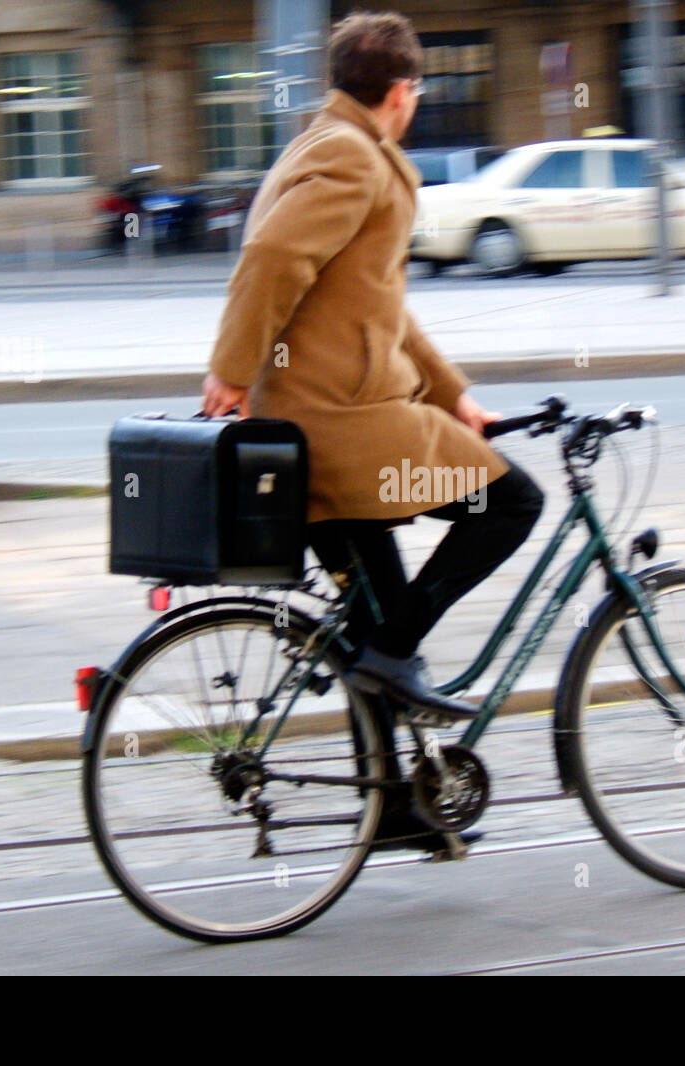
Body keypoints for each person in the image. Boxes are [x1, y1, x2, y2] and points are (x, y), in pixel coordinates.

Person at [202, 13, 543, 726]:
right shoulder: (355, 158)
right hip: (345, 433)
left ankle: (393, 802)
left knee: (376, 626)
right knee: (511, 503)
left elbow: (377, 303)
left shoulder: (320, 144)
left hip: (318, 438)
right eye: (415, 89)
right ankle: (392, 654)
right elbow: (273, 258)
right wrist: (230, 372)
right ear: (400, 90)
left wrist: (456, 396)